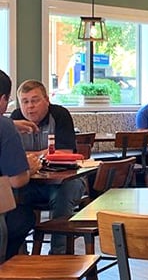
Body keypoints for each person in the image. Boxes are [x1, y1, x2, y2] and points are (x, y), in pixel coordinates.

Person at [10, 79, 86, 255]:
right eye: (25, 101)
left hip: (66, 180)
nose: (30, 107)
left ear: (46, 100)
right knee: (10, 193)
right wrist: (43, 154)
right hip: (31, 183)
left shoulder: (59, 115)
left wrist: (31, 156)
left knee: (62, 193)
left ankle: (59, 255)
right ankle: (18, 255)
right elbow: (13, 158)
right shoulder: (14, 119)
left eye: (35, 100)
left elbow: (64, 152)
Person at [0, 70, 36, 258]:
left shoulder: (7, 125)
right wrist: (30, 167)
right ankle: (6, 273)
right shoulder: (5, 127)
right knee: (24, 217)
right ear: (3, 99)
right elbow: (17, 181)